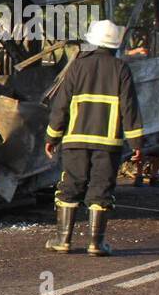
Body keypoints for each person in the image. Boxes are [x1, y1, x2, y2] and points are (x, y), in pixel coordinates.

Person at [44, 19, 144, 256]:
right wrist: (137, 143)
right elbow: (129, 108)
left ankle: (63, 240)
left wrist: (52, 136)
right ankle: (95, 244)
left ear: (92, 40)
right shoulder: (121, 68)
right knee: (101, 189)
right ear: (115, 43)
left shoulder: (77, 66)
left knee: (70, 186)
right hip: (107, 144)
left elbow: (61, 106)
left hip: (75, 141)